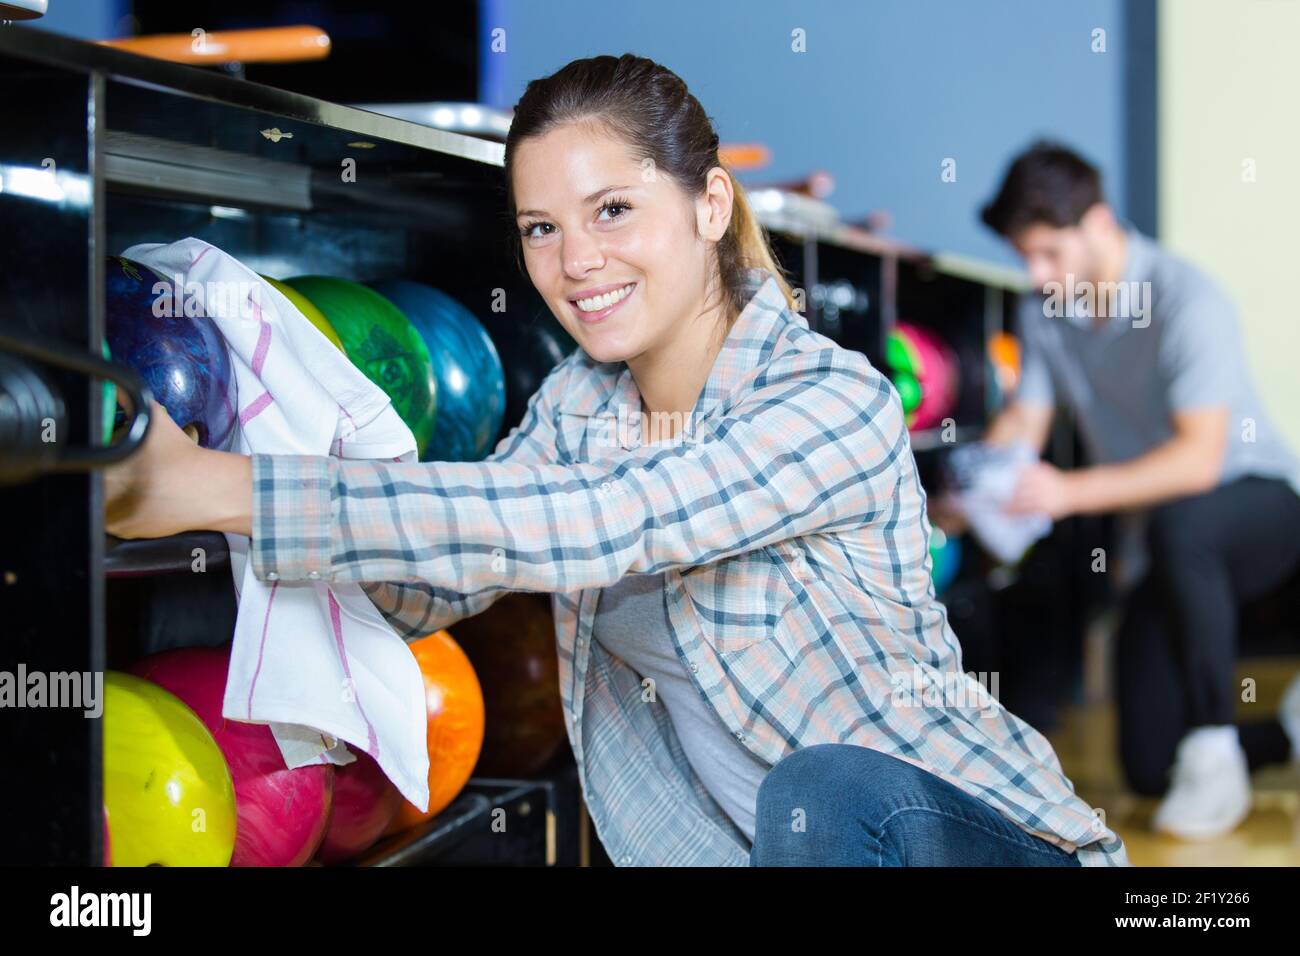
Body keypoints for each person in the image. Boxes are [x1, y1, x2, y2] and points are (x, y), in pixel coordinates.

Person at [104, 57, 1127, 867]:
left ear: (710, 206)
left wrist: (226, 490)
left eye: (612, 211)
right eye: (540, 229)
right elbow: (429, 585)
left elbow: (594, 520)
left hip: (980, 849)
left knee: (825, 792)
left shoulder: (829, 400)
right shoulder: (578, 407)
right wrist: (270, 437)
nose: (574, 262)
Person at [936, 140, 1300, 840]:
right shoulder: (1047, 312)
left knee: (1182, 522)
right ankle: (1278, 737)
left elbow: (1198, 462)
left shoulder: (1185, 298)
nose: (1036, 274)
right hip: (1166, 545)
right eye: (1026, 257)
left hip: (1261, 512)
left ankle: (1217, 755)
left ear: (1099, 224)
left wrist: (1065, 495)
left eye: (1048, 254)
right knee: (1147, 767)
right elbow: (1026, 422)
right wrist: (975, 487)